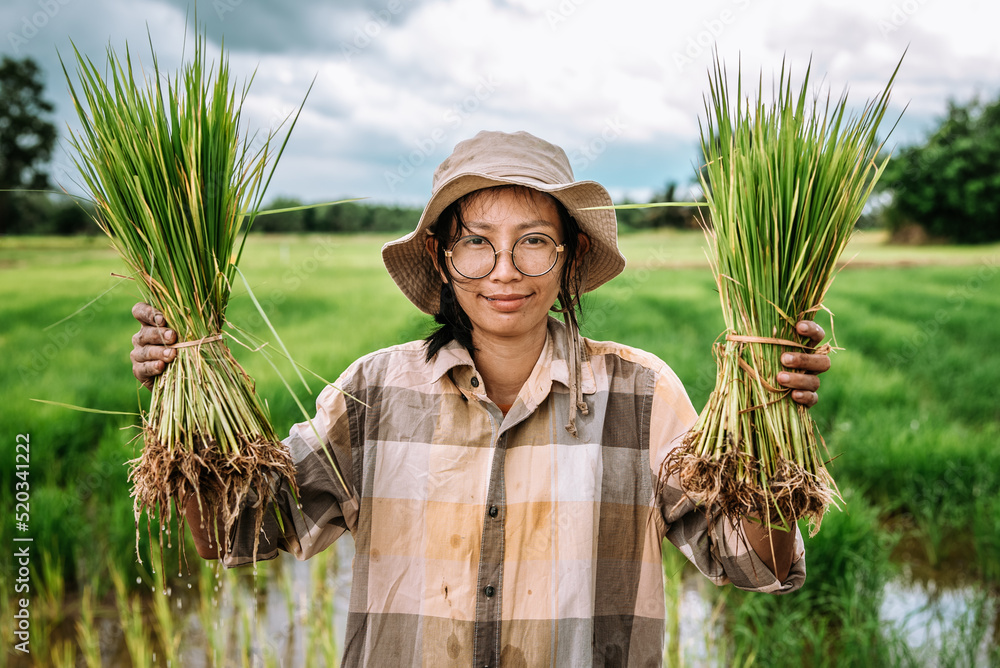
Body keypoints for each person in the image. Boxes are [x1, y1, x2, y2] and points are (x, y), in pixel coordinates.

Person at [130, 130, 831, 666]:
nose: (504, 272)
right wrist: (183, 404)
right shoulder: (375, 392)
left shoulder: (641, 394)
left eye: (533, 243)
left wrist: (770, 425)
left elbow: (753, 563)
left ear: (572, 258)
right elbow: (236, 533)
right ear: (439, 256)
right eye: (476, 244)